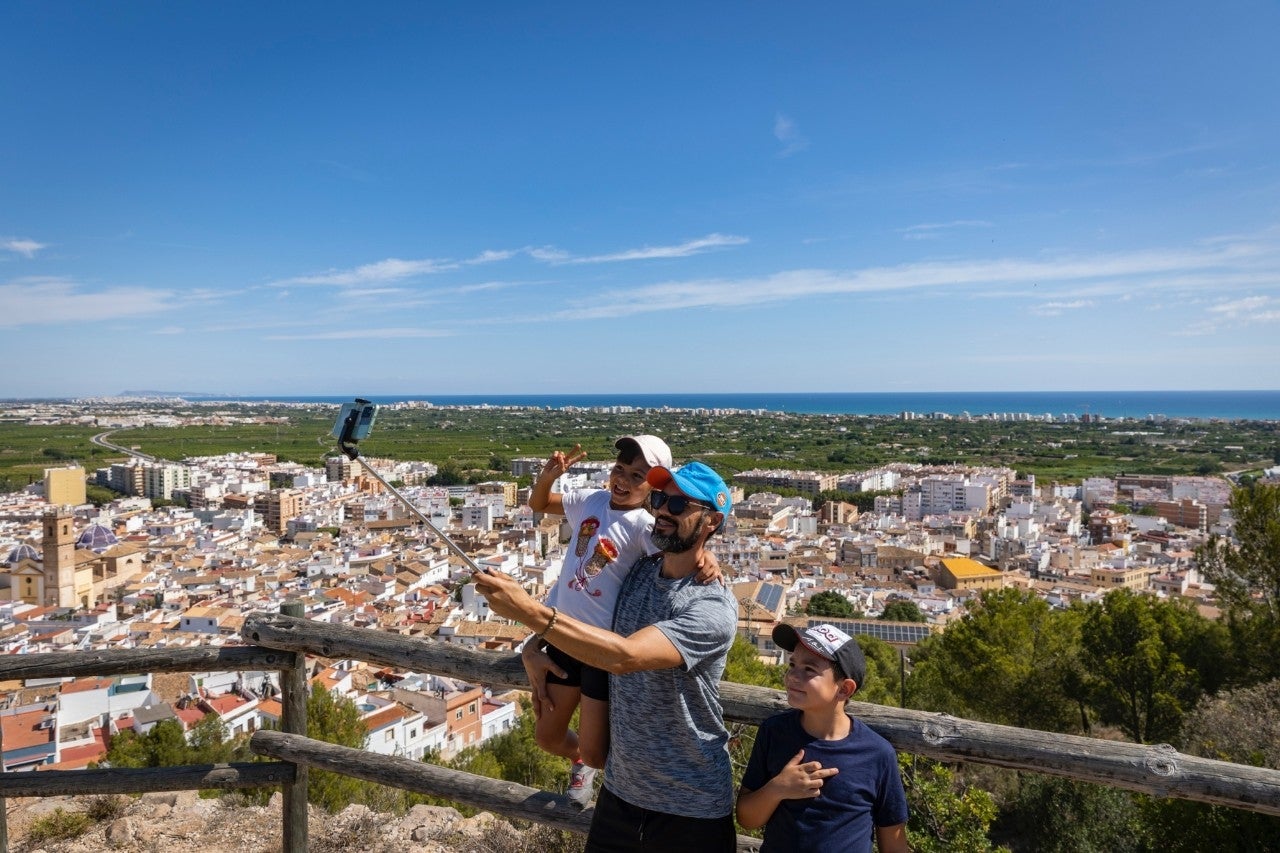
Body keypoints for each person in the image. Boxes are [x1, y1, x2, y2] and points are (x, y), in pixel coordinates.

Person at [475, 460, 739, 852]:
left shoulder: (711, 608)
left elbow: (625, 657)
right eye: (662, 499)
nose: (664, 510)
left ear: (712, 522)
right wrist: (535, 645)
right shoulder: (638, 572)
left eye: (680, 507)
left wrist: (528, 613)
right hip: (620, 794)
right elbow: (580, 600)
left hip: (690, 804)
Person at [525, 435, 673, 806]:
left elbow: (676, 562)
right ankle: (581, 762)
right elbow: (539, 503)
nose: (622, 480)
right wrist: (547, 477)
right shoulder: (591, 501)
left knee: (596, 751)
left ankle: (612, 791)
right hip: (560, 639)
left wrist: (707, 558)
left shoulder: (644, 528)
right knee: (547, 737)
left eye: (637, 476)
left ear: (654, 486)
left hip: (600, 647)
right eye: (620, 470)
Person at [737, 623, 909, 853]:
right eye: (792, 664)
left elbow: (893, 843)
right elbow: (747, 819)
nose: (792, 676)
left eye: (809, 669)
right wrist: (778, 788)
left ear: (844, 689)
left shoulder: (877, 754)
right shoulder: (774, 732)